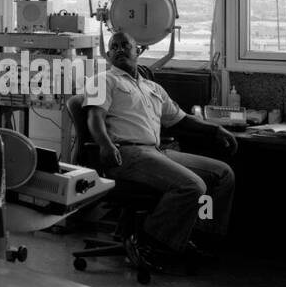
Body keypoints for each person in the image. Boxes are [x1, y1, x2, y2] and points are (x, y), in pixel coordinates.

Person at [86, 31, 237, 266]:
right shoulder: (102, 80)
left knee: (223, 174)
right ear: (108, 55)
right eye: (113, 47)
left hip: (156, 152)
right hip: (127, 154)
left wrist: (215, 130)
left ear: (138, 50)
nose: (119, 49)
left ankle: (198, 236)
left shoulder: (153, 88)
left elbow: (181, 119)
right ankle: (153, 243)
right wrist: (105, 145)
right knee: (192, 185)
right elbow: (94, 117)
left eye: (125, 44)